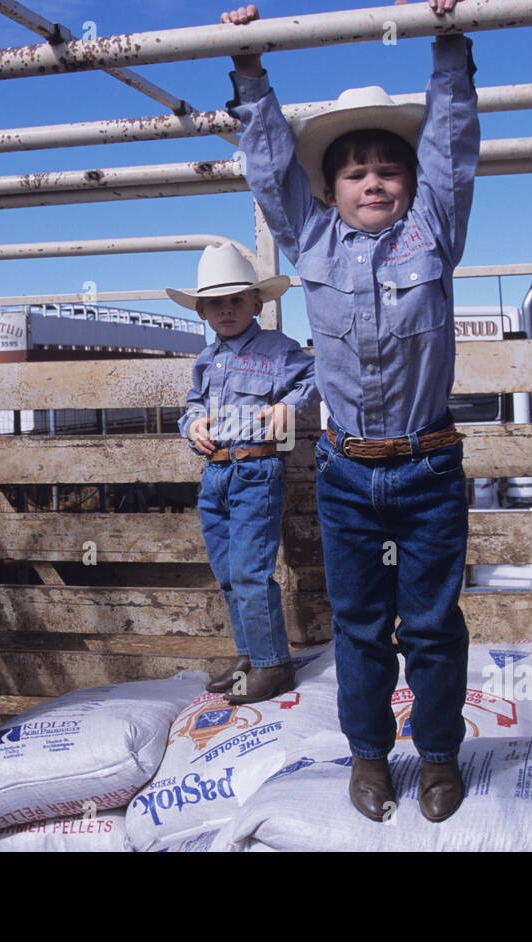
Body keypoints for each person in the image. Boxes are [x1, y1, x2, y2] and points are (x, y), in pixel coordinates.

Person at [221, 0, 479, 822]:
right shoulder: (312, 240)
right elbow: (268, 169)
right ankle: (369, 758)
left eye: (387, 169)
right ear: (328, 190)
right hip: (345, 471)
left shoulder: (433, 230)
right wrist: (251, 69)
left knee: (432, 624)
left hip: (429, 466)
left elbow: (451, 152)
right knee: (361, 628)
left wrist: (449, 50)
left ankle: (437, 756)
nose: (374, 180)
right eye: (355, 170)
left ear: (409, 185)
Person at [172, 243, 317, 704]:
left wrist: (285, 407)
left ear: (257, 304)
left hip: (255, 469)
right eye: (217, 302)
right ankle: (250, 654)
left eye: (237, 300)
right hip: (214, 476)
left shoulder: (278, 349)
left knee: (251, 572)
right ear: (203, 311)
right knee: (228, 572)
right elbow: (194, 404)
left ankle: (274, 664)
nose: (227, 309)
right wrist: (191, 425)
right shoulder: (205, 359)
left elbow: (313, 379)